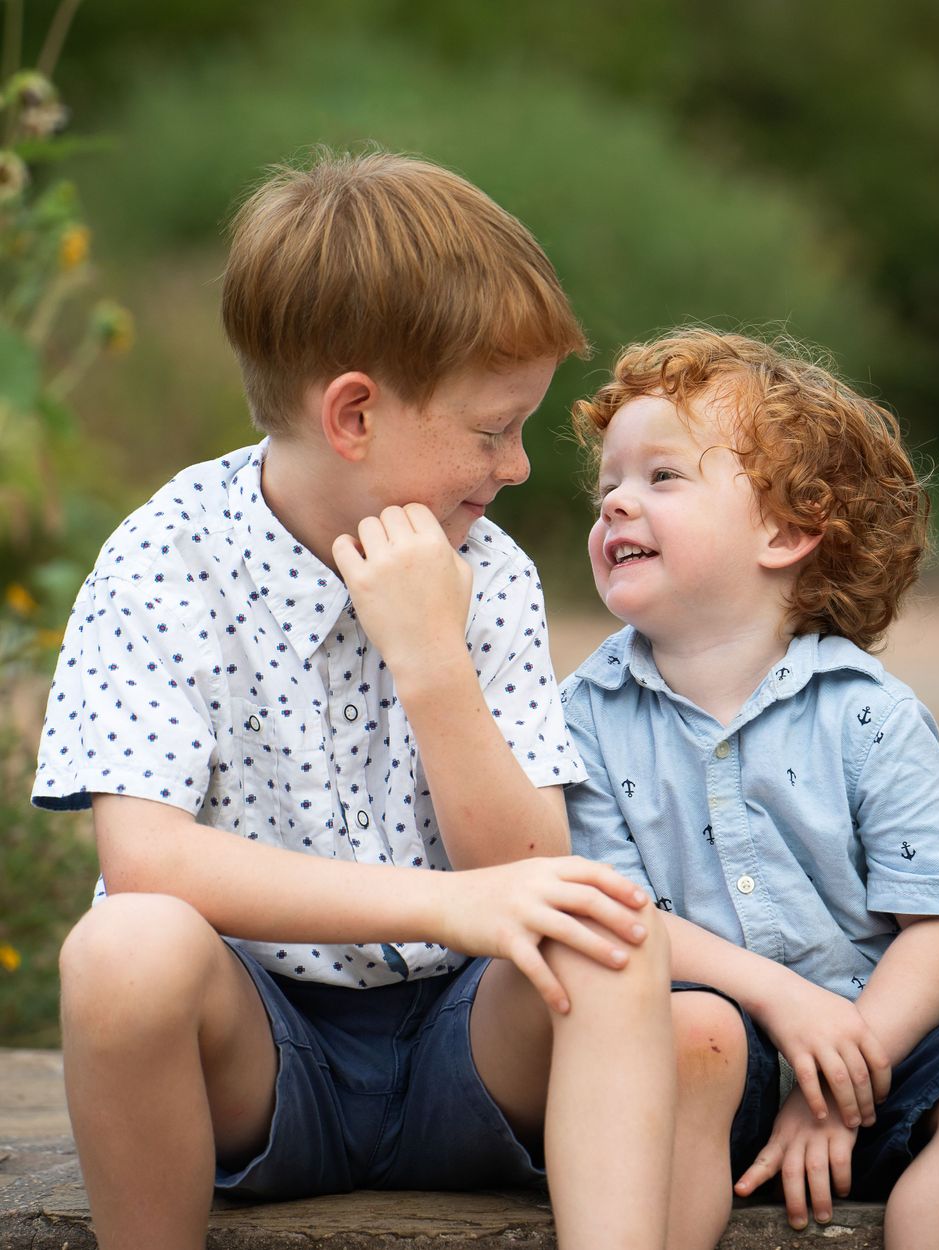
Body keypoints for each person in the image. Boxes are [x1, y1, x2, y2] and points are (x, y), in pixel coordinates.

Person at [33, 149, 676, 1250]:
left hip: (461, 1048)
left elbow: (529, 863)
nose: (516, 465)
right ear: (353, 416)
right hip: (258, 1051)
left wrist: (434, 663)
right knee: (120, 949)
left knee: (610, 934)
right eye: (490, 429)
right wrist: (433, 905)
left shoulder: (489, 571)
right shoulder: (163, 558)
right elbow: (146, 861)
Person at [561, 326, 939, 1250]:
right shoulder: (584, 717)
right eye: (608, 486)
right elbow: (610, 913)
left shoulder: (869, 713)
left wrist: (848, 1076)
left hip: (884, 1039)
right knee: (685, 1043)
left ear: (787, 530)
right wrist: (776, 999)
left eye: (661, 478)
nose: (615, 507)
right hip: (704, 1051)